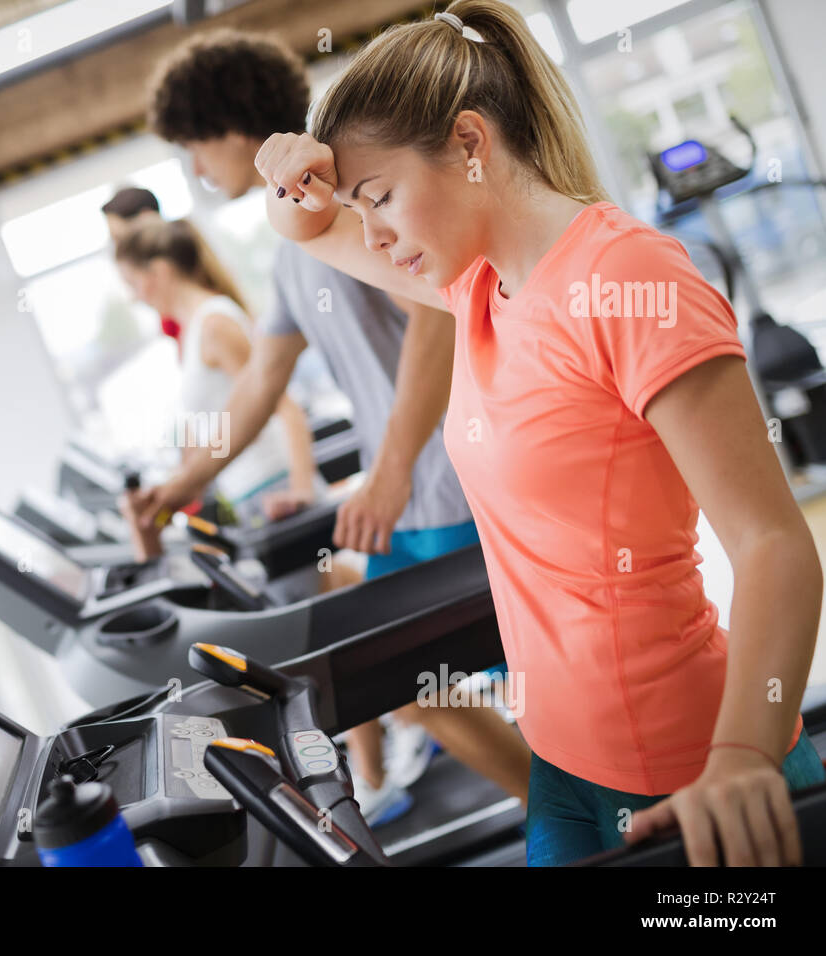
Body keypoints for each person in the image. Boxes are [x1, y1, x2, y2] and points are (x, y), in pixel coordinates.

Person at [255, 0, 825, 864]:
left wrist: (743, 754)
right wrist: (293, 174)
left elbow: (774, 543)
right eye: (362, 204)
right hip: (562, 758)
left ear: (471, 144)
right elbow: (313, 230)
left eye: (381, 197)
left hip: (688, 767)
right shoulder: (478, 286)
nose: (371, 230)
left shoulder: (626, 276)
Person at [138, 29, 531, 825]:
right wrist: (181, 487)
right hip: (415, 495)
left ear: (230, 127)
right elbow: (261, 380)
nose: (196, 170)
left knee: (430, 685)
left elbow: (440, 316)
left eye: (194, 148)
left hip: (452, 482)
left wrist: (386, 471)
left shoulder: (349, 188)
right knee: (412, 691)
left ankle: (586, 820)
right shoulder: (291, 238)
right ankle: (570, 815)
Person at [114, 217, 319, 521]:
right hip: (246, 491)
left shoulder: (215, 325)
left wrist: (302, 493)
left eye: (133, 283)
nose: (134, 296)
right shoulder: (192, 331)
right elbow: (207, 427)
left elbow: (287, 409)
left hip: (275, 485)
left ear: (159, 271)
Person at [103, 187, 184, 354]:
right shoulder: (158, 291)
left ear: (147, 218)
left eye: (118, 237)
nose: (118, 248)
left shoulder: (182, 275)